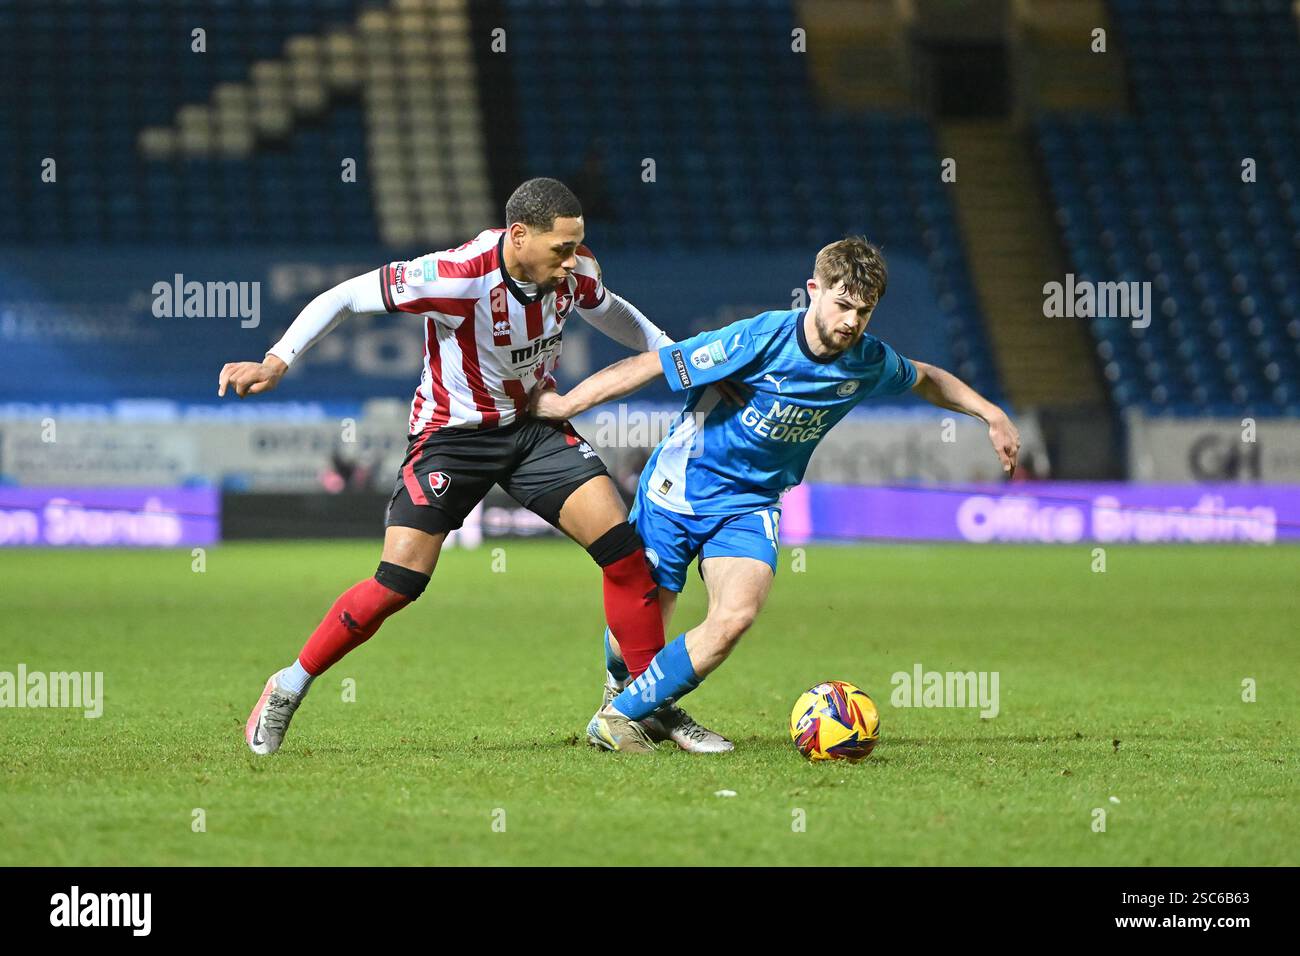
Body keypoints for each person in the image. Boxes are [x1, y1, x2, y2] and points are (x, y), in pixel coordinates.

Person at [529, 236, 1021, 752]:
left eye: (864, 311)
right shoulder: (757, 339)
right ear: (814, 290)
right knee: (642, 624)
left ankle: (621, 715)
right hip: (678, 493)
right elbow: (653, 364)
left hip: (752, 503)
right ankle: (628, 691)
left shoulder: (868, 361)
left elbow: (927, 378)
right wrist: (567, 406)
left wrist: (991, 414)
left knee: (735, 617)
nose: (852, 321)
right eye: (843, 304)